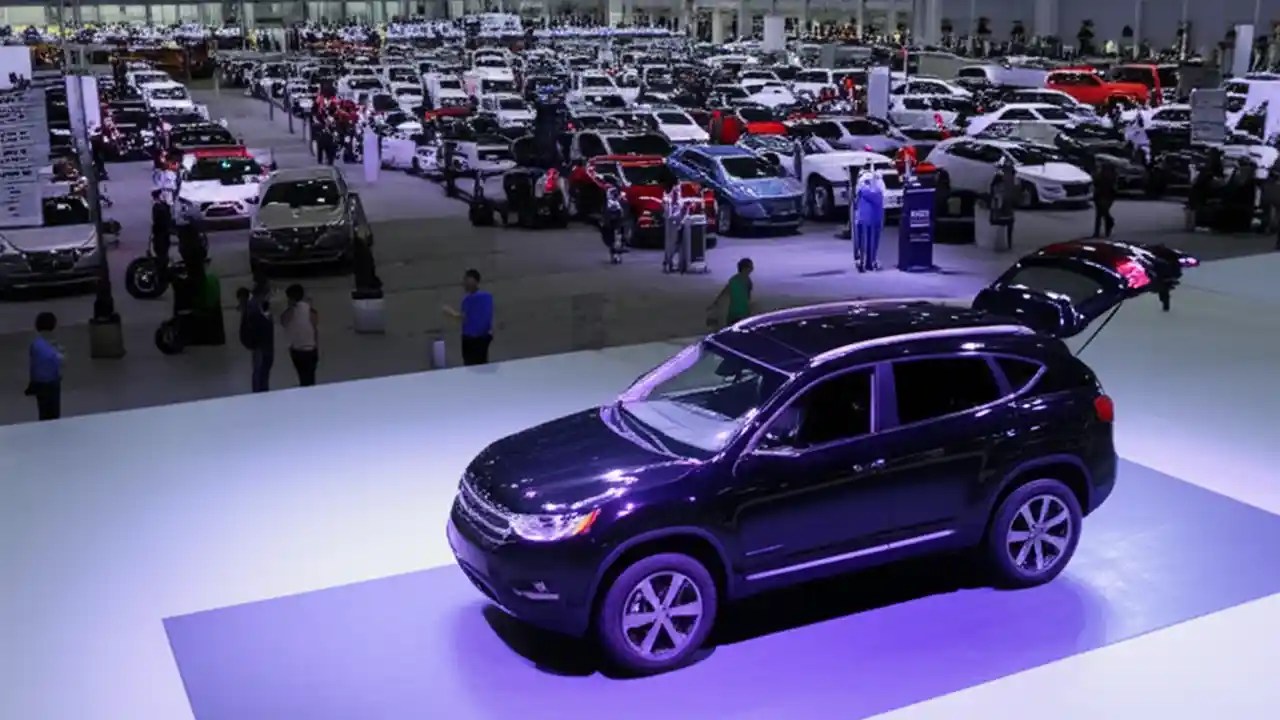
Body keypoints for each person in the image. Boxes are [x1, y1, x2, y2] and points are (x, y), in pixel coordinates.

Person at [442, 269, 494, 366]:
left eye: (466, 280)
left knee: (472, 366)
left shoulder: (470, 299)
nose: (464, 283)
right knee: (481, 364)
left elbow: (464, 318)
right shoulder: (486, 297)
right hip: (481, 338)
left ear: (473, 280)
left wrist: (451, 312)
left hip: (472, 339)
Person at [26, 312, 63, 421]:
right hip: (53, 381)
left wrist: (32, 381)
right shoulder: (55, 345)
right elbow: (59, 363)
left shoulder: (35, 344)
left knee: (43, 411)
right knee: (54, 411)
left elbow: (33, 365)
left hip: (40, 383)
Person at [239, 281, 275, 392]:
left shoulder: (258, 306)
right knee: (260, 372)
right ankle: (260, 393)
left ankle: (261, 391)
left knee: (261, 371)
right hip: (261, 345)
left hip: (263, 345)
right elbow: (258, 326)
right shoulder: (254, 308)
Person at [281, 284, 319, 386]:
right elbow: (315, 324)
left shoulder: (289, 312)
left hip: (297, 348)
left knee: (302, 376)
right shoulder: (310, 310)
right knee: (310, 377)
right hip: (310, 348)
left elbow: (283, 322)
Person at [854, 162, 886, 271]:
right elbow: (882, 195)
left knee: (863, 238)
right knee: (874, 238)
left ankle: (862, 262)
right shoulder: (878, 180)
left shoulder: (862, 180)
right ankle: (871, 261)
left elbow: (857, 197)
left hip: (864, 214)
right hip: (876, 214)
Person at [710, 257, 754, 326]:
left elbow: (724, 291)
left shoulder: (733, 280)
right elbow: (748, 298)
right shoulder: (748, 281)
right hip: (743, 313)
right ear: (745, 268)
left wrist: (715, 302)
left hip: (732, 314)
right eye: (751, 266)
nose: (752, 269)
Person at [151, 190, 172, 278]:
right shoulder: (161, 207)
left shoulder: (157, 207)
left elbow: (156, 221)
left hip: (160, 233)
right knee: (163, 252)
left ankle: (162, 272)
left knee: (161, 252)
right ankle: (163, 271)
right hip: (163, 233)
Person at [1092, 163, 1118, 238]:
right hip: (1099, 195)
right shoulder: (1099, 175)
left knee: (1103, 212)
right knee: (1099, 214)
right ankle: (1098, 232)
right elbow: (1095, 183)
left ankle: (1108, 226)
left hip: (1107, 196)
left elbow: (1113, 188)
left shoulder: (1112, 177)